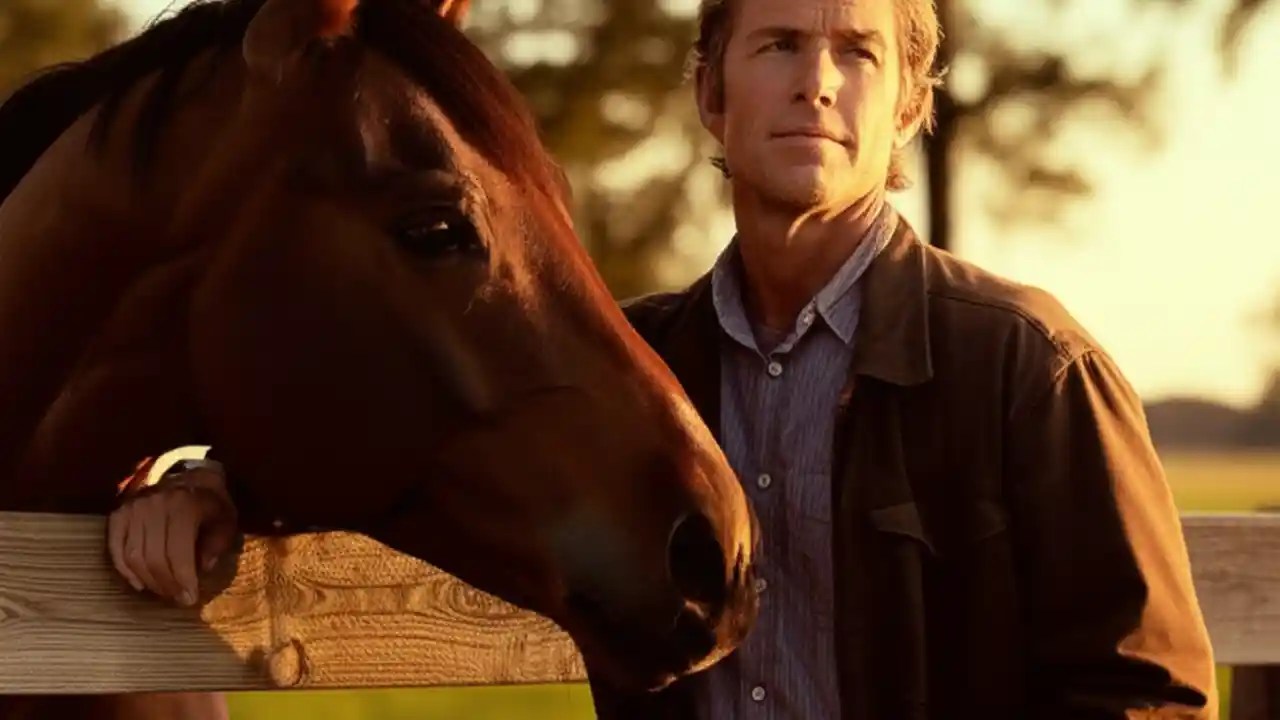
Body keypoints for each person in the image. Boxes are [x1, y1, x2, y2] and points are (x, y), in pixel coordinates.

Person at [111, 0, 1219, 717]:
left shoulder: (1029, 369)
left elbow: (1142, 694)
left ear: (906, 109)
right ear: (709, 94)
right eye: (779, 45)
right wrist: (212, 487)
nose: (816, 82)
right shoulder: (630, 369)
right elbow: (412, 428)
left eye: (855, 54)